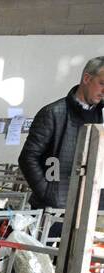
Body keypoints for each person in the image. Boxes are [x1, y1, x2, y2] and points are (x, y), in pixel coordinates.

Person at [18, 56, 104, 213]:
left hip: (94, 207)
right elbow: (28, 157)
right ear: (87, 78)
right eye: (102, 83)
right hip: (55, 209)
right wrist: (48, 193)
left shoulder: (102, 115)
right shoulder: (53, 113)